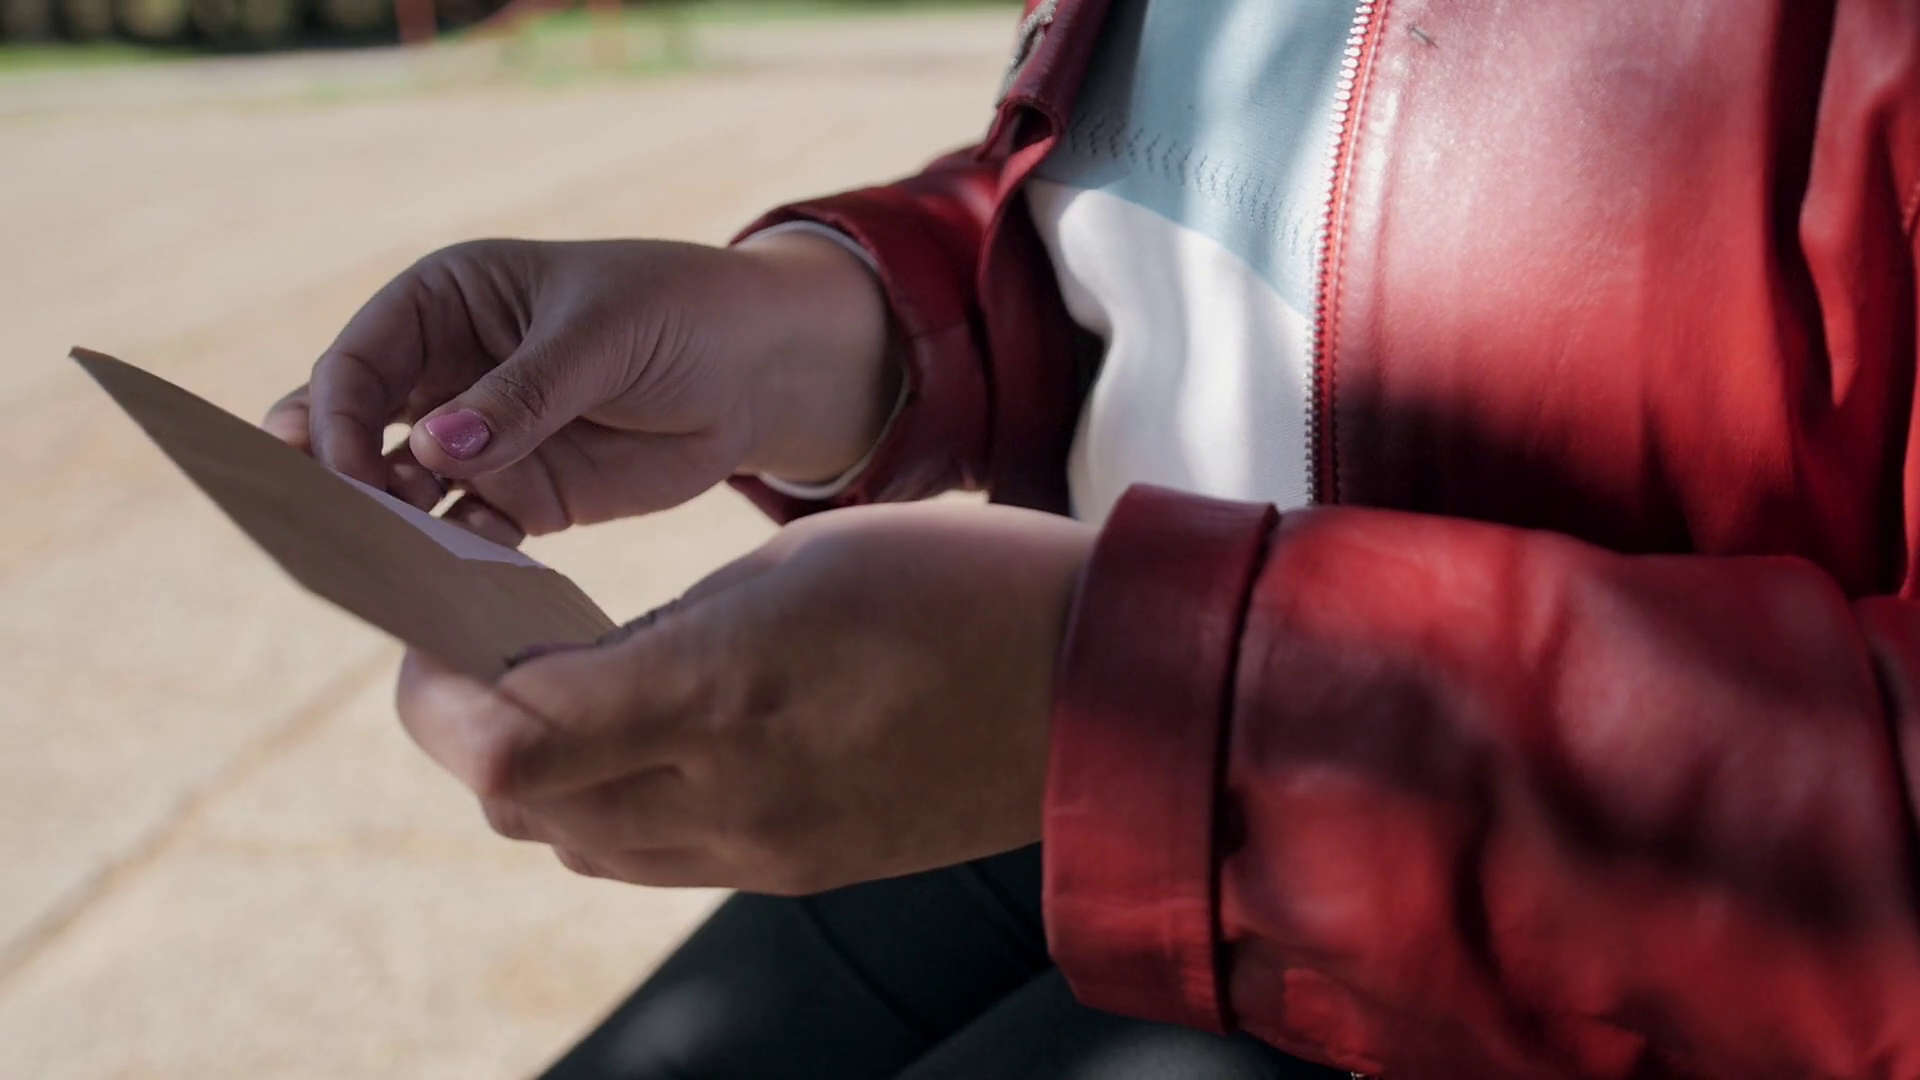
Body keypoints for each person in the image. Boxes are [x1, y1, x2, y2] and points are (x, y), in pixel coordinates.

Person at [264, 0, 1920, 1076]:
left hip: (1573, 956)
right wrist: (813, 329)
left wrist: (1163, 705)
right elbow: (1174, 220)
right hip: (1118, 779)